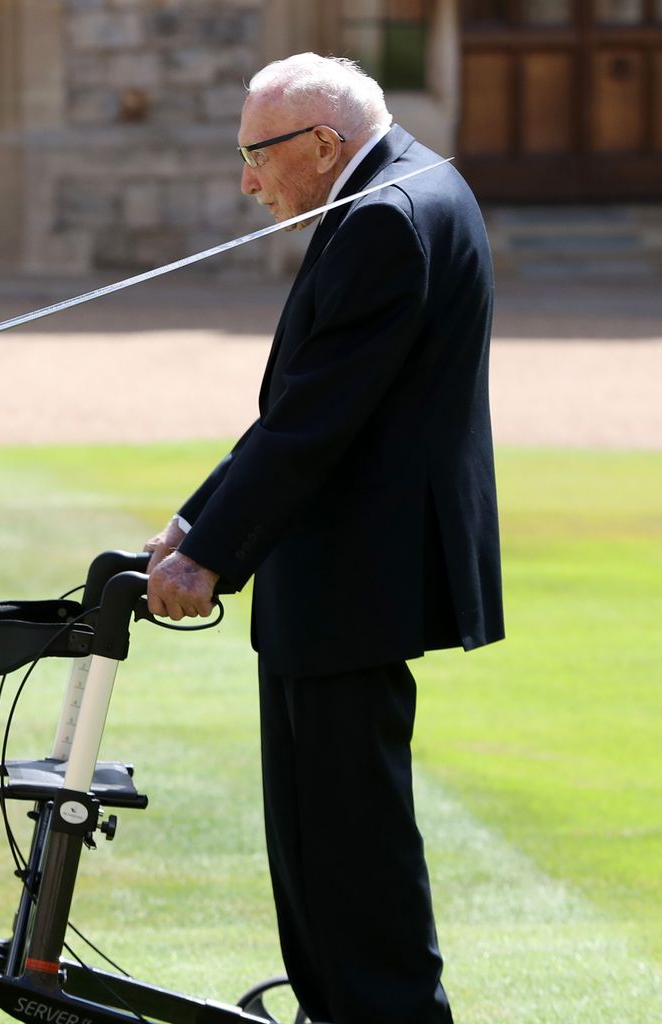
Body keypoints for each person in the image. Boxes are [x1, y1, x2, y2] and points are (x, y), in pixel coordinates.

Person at [143, 55, 504, 1024]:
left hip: (354, 572)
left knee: (347, 834)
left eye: (256, 156)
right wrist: (192, 520)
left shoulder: (383, 216)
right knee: (314, 827)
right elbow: (302, 407)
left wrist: (208, 556)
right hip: (343, 568)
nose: (247, 182)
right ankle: (337, 1005)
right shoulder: (409, 183)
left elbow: (315, 419)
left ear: (320, 146)